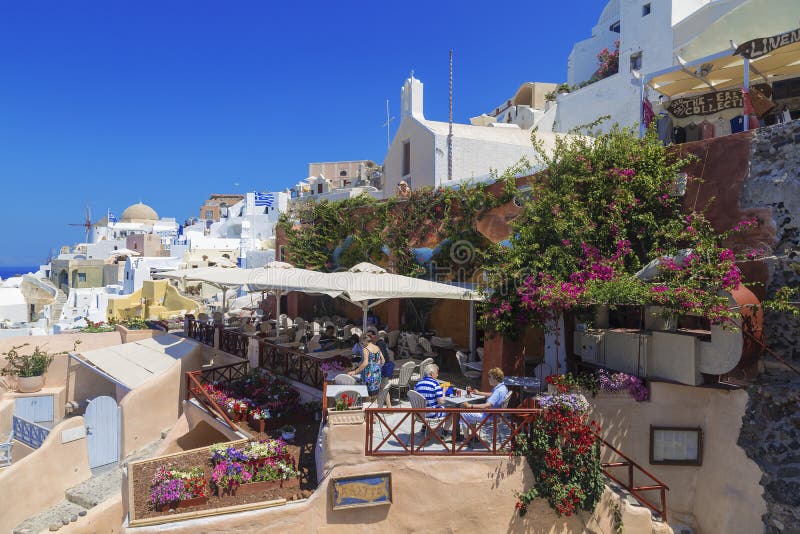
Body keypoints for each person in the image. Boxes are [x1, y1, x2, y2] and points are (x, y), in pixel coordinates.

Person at [461, 367, 509, 440]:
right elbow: (491, 394)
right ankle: (473, 436)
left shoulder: (498, 391)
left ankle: (466, 440)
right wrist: (479, 393)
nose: (488, 379)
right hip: (495, 415)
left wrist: (470, 405)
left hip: (489, 416)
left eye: (490, 377)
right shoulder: (503, 387)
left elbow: (487, 405)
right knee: (471, 412)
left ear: (495, 378)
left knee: (463, 413)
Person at [413, 364, 452, 433]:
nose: (437, 375)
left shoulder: (418, 384)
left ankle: (425, 426)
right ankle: (445, 433)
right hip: (431, 414)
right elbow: (441, 401)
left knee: (428, 403)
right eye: (436, 373)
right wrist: (444, 391)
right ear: (431, 373)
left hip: (419, 413)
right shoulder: (435, 384)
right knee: (452, 412)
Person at [348, 330, 384, 397]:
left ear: (364, 341)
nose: (362, 345)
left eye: (362, 343)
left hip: (368, 375)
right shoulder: (377, 347)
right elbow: (383, 360)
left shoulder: (365, 349)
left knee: (366, 396)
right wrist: (376, 368)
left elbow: (365, 363)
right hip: (377, 375)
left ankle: (368, 407)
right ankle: (374, 407)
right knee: (374, 395)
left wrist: (355, 371)